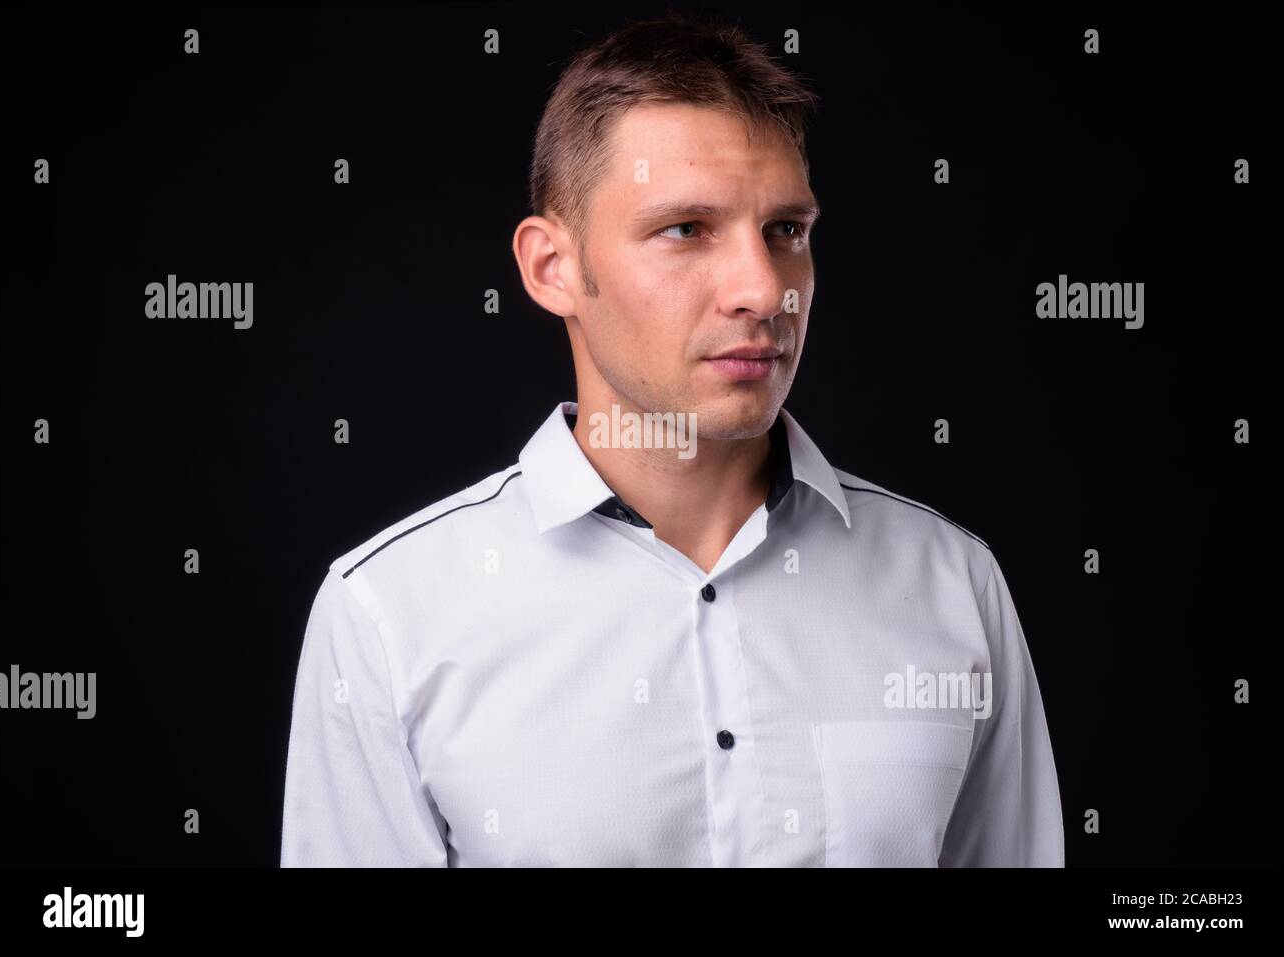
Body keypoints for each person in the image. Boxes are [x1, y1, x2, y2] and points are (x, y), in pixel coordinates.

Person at [280, 12, 1063, 867]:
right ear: (553, 268)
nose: (764, 291)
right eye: (686, 229)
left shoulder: (954, 584)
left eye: (786, 231)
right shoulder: (389, 615)